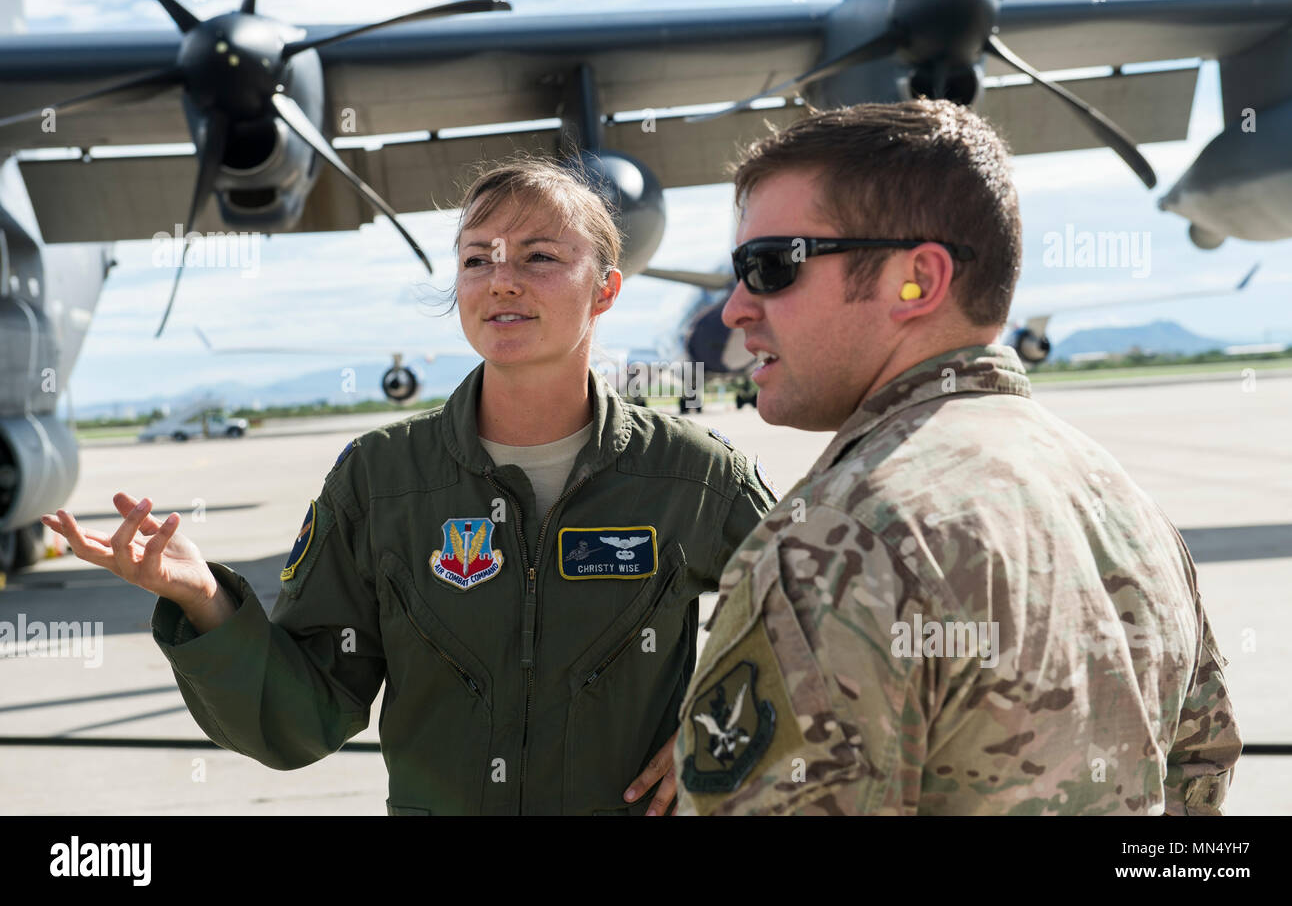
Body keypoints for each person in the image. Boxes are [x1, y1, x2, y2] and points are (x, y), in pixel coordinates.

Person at [43, 157, 776, 815]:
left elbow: (817, 626)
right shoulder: (380, 479)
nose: (503, 279)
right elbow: (304, 716)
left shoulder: (694, 476)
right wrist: (205, 600)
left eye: (539, 255)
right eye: (476, 259)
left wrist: (719, 734)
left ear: (607, 289)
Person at [672, 100, 1242, 816]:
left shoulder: (835, 546)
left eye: (771, 267)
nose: (736, 308)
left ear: (919, 279)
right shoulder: (1126, 508)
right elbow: (1198, 782)